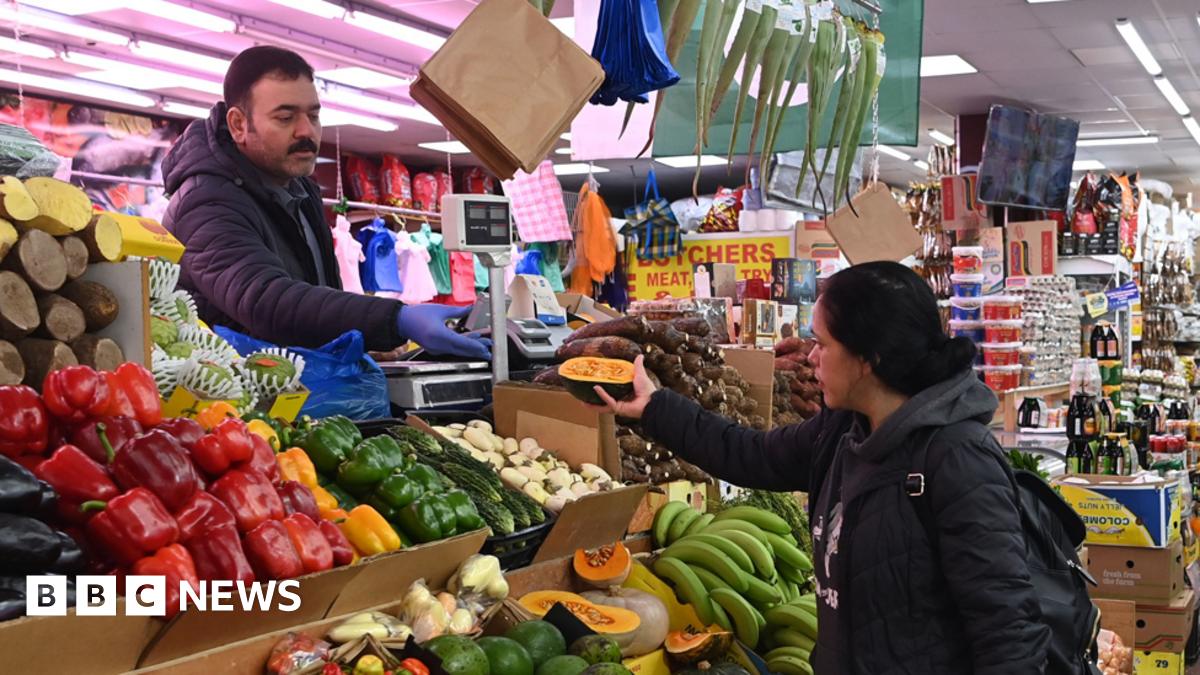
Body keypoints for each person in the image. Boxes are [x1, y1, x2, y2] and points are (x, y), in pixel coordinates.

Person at [591, 262, 1050, 674]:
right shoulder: (843, 432)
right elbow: (748, 454)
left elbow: (1007, 629)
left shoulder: (958, 460)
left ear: (868, 359)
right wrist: (655, 407)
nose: (810, 356)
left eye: (822, 343)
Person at [162, 46, 490, 359]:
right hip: (229, 402)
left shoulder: (300, 189)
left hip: (298, 391)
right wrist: (396, 319)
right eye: (285, 117)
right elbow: (265, 301)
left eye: (313, 115)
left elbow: (317, 292)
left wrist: (356, 343)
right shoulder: (205, 203)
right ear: (238, 125)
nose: (307, 131)